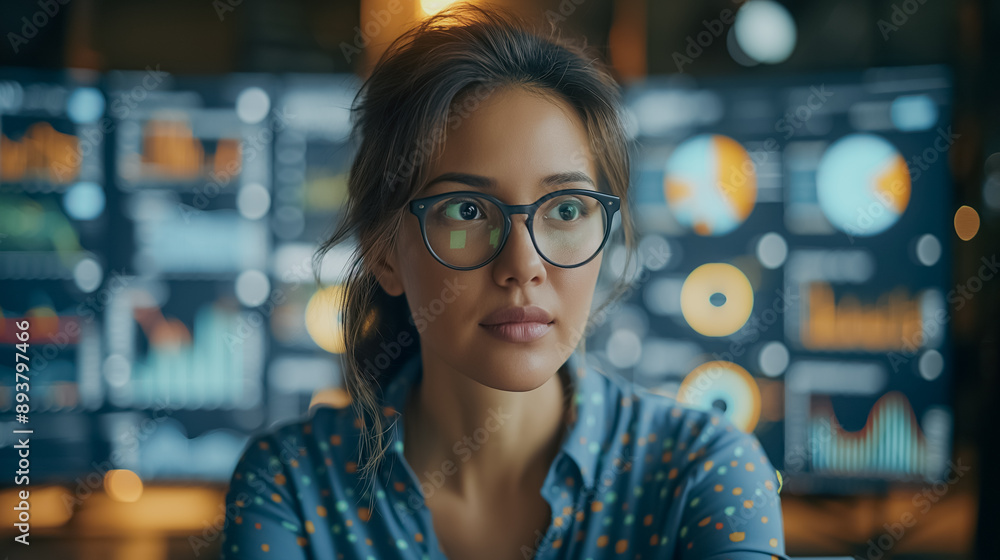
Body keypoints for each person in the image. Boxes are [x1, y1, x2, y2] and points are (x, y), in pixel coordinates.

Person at [221, 3, 790, 559]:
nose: (523, 265)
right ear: (383, 251)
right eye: (467, 211)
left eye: (566, 210)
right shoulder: (291, 485)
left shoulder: (703, 470)